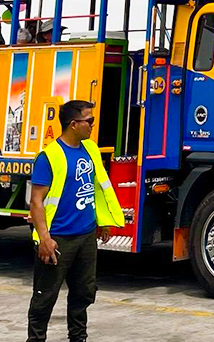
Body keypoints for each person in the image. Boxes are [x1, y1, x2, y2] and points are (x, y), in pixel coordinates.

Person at [27, 100, 125, 342]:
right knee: (44, 297)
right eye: (89, 120)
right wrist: (44, 239)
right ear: (73, 124)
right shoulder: (49, 157)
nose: (92, 125)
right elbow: (36, 202)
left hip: (85, 236)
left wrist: (102, 221)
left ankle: (78, 338)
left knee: (83, 294)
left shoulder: (91, 149)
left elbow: (96, 189)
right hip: (58, 239)